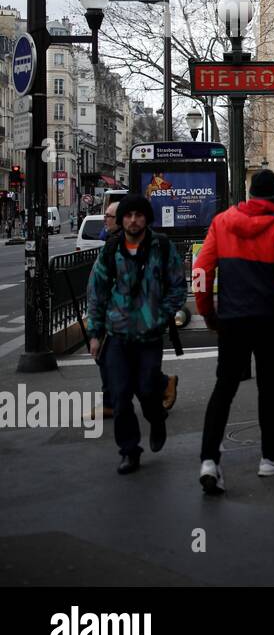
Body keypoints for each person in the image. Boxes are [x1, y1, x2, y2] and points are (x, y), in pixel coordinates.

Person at [193, 169, 274, 495]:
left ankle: (209, 460)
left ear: (250, 194)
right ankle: (271, 457)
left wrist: (208, 313)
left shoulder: (223, 222)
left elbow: (201, 270)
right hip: (269, 320)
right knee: (269, 389)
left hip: (231, 319)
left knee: (224, 389)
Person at [84, 194, 188, 475]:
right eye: (128, 216)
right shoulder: (111, 250)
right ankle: (129, 450)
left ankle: (157, 418)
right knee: (119, 396)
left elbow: (178, 286)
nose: (132, 220)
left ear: (146, 218)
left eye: (138, 215)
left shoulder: (162, 247)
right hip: (116, 335)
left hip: (149, 335)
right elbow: (97, 294)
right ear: (121, 220)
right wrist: (94, 334)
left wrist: (160, 314)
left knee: (147, 390)